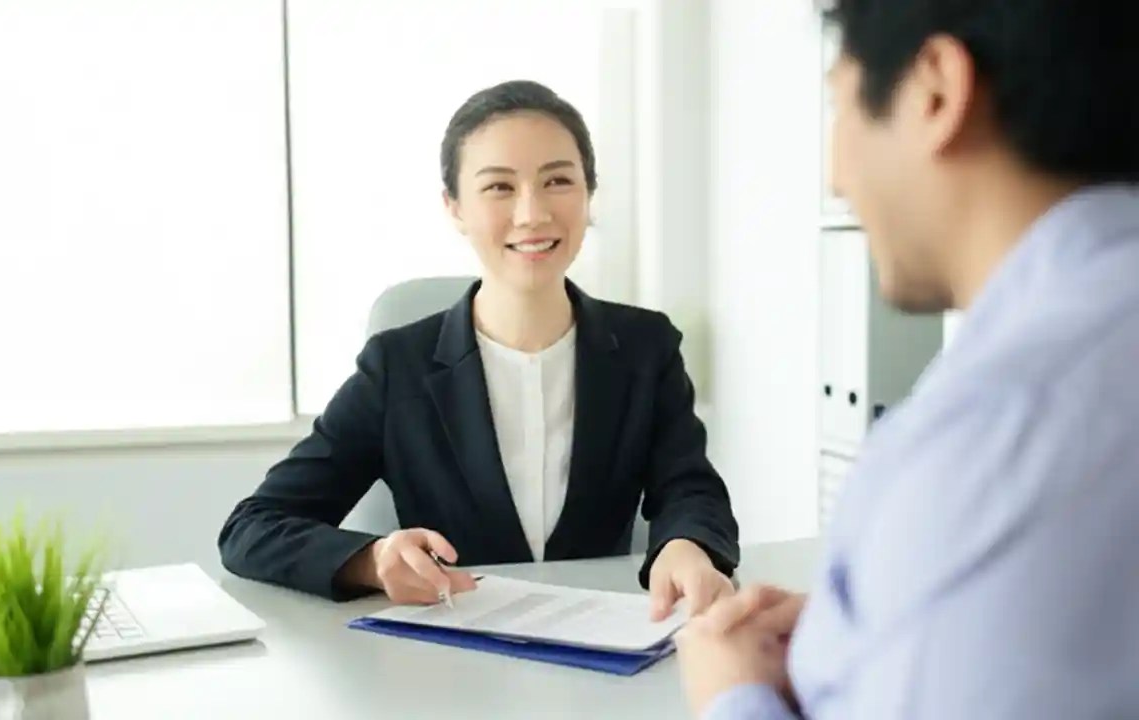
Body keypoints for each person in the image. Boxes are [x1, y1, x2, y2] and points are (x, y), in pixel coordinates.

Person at [676, 0, 1139, 717]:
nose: (835, 175)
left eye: (841, 104)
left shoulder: (994, 433)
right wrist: (873, 631)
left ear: (935, 91)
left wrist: (733, 694)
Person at [218, 80, 739, 618]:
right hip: (454, 660)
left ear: (588, 194)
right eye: (499, 187)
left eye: (558, 180)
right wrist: (371, 561)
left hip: (604, 649)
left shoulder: (645, 348)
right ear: (455, 207)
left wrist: (687, 546)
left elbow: (690, 490)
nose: (532, 213)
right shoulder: (397, 368)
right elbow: (252, 527)